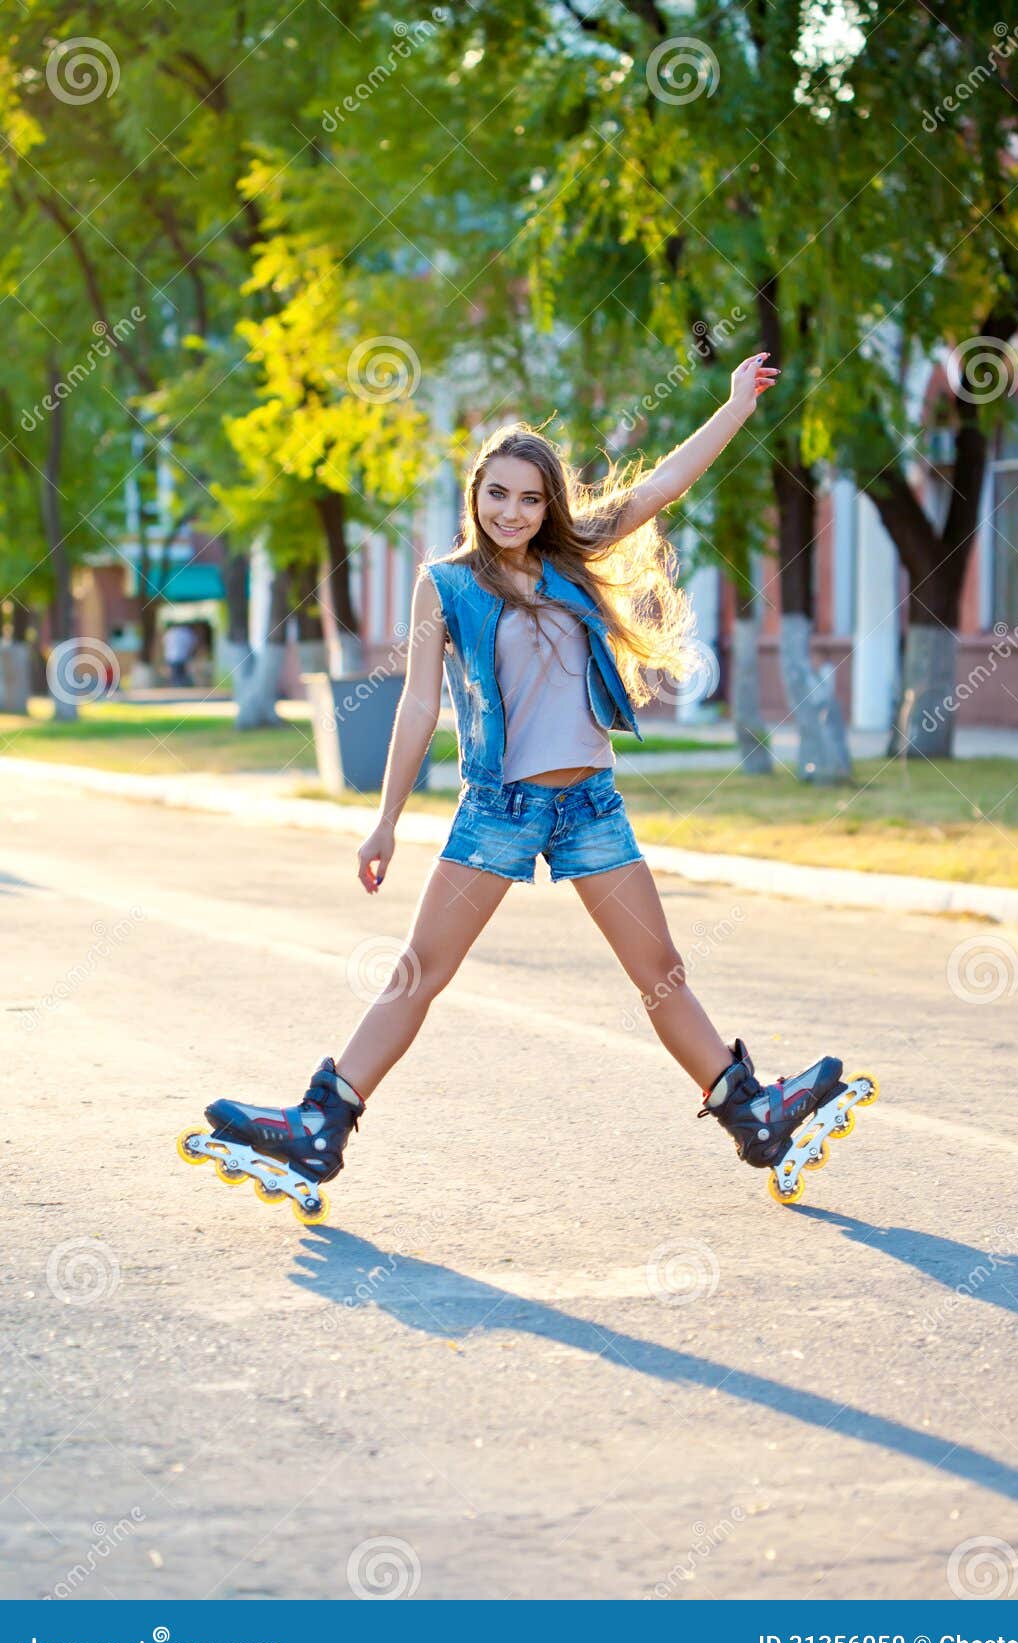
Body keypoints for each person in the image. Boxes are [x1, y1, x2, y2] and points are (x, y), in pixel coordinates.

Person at [202, 353, 843, 1209]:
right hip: (501, 808)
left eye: (530, 497)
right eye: (497, 494)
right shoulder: (447, 587)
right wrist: (385, 821)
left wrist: (732, 406)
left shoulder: (571, 561)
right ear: (475, 495)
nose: (512, 511)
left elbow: (665, 483)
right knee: (418, 971)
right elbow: (417, 709)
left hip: (588, 805)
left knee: (661, 974)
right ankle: (320, 1125)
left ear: (550, 504)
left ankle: (751, 1116)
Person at [162, 622, 196, 686]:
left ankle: (176, 686)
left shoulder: (169, 632)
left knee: (174, 675)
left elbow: (165, 644)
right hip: (182, 656)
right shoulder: (186, 632)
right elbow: (191, 644)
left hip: (171, 656)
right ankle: (180, 686)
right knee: (181, 675)